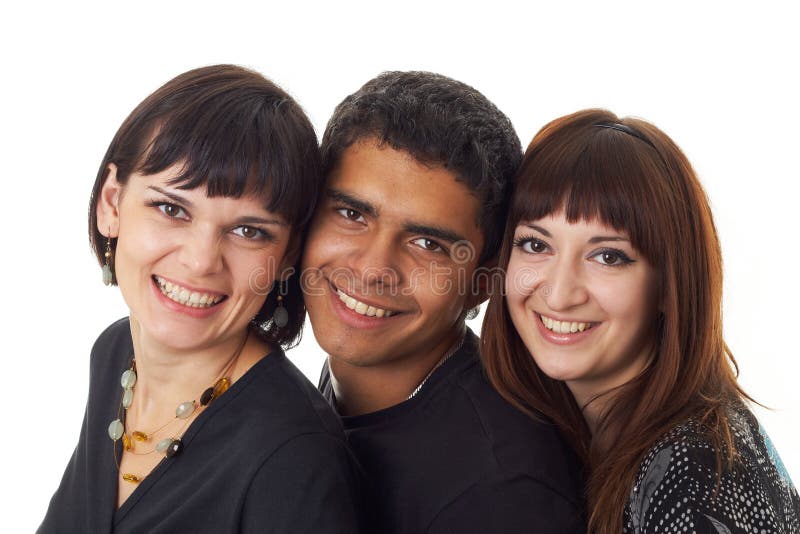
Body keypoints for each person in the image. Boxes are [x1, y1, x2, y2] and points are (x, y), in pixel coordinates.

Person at [39, 65, 362, 534]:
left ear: (287, 255)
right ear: (111, 203)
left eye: (248, 231)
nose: (200, 261)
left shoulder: (293, 456)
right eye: (171, 209)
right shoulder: (115, 354)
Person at [482, 108, 800, 533]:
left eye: (608, 256)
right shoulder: (602, 439)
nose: (559, 293)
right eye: (536, 244)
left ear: (671, 285)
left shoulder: (693, 480)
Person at [302, 71, 585, 533]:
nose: (374, 268)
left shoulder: (501, 496)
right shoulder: (352, 383)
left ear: (484, 279)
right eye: (352, 214)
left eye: (428, 244)